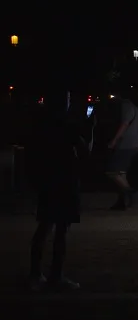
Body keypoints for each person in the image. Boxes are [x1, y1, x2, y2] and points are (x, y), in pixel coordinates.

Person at [28, 86, 87, 291]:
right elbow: (82, 148)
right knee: (60, 229)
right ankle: (56, 274)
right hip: (65, 179)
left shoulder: (41, 123)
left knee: (45, 226)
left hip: (49, 179)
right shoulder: (67, 124)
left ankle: (36, 274)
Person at [106, 86, 138, 210]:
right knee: (122, 173)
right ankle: (122, 201)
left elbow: (124, 124)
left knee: (112, 171)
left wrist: (114, 140)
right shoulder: (135, 108)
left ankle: (129, 191)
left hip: (124, 144)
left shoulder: (126, 106)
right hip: (131, 144)